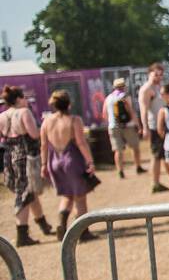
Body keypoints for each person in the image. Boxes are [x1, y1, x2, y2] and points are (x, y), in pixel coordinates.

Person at [40, 89, 97, 242]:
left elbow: (44, 145)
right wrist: (90, 161)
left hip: (54, 161)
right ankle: (83, 231)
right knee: (80, 197)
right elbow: (81, 142)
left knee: (67, 195)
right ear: (69, 104)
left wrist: (44, 164)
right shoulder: (74, 120)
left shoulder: (46, 121)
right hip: (71, 159)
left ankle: (61, 225)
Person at [1, 87, 54, 246]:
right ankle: (22, 233)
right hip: (25, 157)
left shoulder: (2, 116)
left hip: (9, 156)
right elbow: (34, 134)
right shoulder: (24, 112)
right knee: (24, 194)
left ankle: (43, 224)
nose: (25, 100)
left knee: (28, 192)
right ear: (18, 98)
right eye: (23, 97)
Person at [103, 77, 145, 179]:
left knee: (118, 150)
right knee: (135, 147)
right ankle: (138, 167)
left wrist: (110, 123)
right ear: (124, 86)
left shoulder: (108, 98)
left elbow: (104, 114)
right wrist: (139, 126)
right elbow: (131, 112)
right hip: (128, 126)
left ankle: (120, 171)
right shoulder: (125, 97)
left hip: (113, 126)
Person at [138, 63, 169, 193]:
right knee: (156, 155)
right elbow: (143, 110)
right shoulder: (146, 89)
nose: (158, 77)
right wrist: (144, 128)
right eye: (156, 74)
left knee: (166, 152)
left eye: (160, 74)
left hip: (164, 125)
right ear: (149, 73)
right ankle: (155, 183)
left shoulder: (159, 87)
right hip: (154, 126)